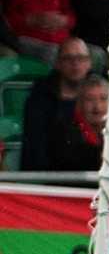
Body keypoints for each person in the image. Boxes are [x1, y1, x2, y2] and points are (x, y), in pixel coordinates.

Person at [18, 35, 92, 169]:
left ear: (89, 63)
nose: (75, 64)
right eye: (68, 58)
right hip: (51, 177)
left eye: (81, 58)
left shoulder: (98, 94)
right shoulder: (40, 99)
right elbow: (35, 150)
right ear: (58, 63)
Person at [48, 73, 109, 173]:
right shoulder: (65, 130)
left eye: (103, 99)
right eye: (90, 100)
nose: (97, 107)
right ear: (79, 103)